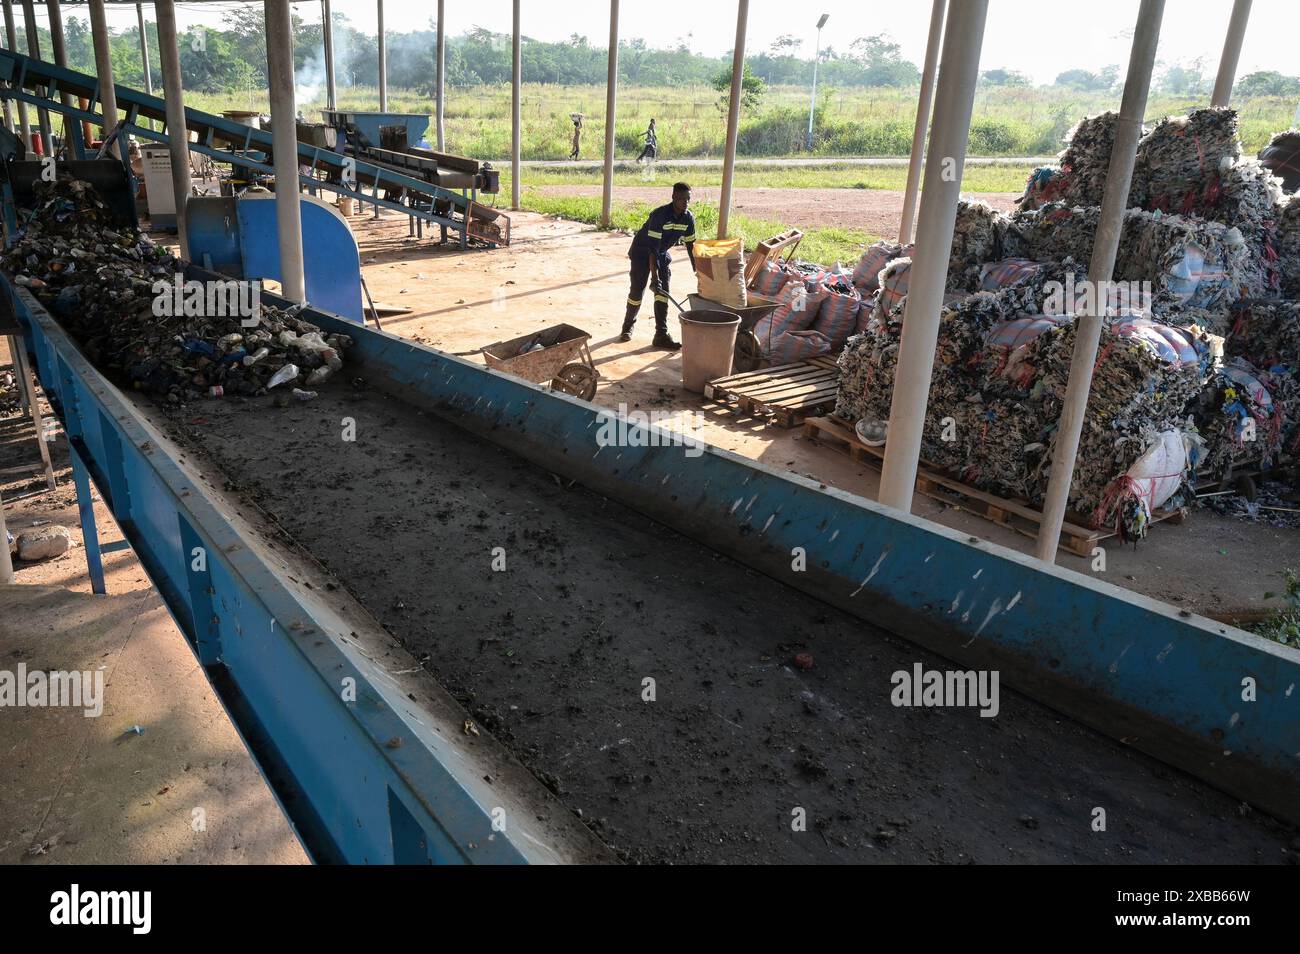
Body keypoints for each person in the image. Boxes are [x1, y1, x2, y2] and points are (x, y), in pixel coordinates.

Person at [620, 182, 697, 350]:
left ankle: (660, 334)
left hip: (660, 253)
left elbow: (692, 247)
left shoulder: (688, 218)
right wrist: (654, 278)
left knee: (663, 293)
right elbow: (652, 249)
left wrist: (698, 271)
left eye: (688, 199)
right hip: (642, 252)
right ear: (673, 198)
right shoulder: (660, 215)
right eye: (681, 199)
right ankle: (627, 326)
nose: (685, 202)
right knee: (637, 291)